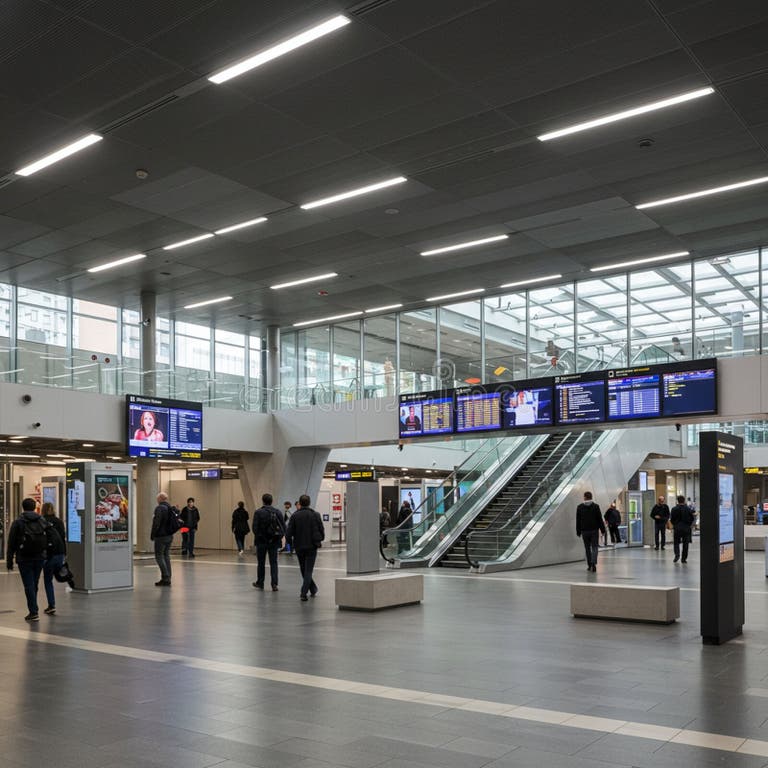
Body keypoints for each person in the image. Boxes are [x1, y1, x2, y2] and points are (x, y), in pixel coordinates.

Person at [6, 498, 50, 621]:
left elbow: (11, 542)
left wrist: (9, 560)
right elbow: (49, 536)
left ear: (23, 507)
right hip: (39, 556)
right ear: (34, 507)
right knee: (34, 583)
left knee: (29, 585)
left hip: (24, 557)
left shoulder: (18, 522)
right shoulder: (42, 520)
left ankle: (33, 611)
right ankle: (33, 608)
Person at [286, 494, 324, 601]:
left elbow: (288, 533)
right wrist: (320, 539)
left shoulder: (294, 516)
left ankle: (311, 589)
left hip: (299, 546)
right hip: (312, 546)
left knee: (303, 569)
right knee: (308, 570)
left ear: (300, 503)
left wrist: (290, 545)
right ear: (309, 503)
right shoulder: (315, 515)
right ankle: (305, 592)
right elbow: (321, 529)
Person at [252, 493, 285, 591]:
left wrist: (260, 536)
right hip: (274, 542)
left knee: (261, 562)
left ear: (263, 501)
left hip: (261, 542)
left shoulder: (258, 512)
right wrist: (277, 537)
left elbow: (254, 528)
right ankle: (274, 584)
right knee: (273, 562)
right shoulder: (278, 512)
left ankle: (260, 582)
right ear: (272, 501)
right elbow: (283, 527)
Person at [41, 502, 67, 615]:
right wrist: (64, 553)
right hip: (59, 552)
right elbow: (62, 537)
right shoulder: (59, 521)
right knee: (59, 573)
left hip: (49, 554)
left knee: (48, 580)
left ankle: (51, 605)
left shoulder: (42, 521)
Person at [576, 491, 605, 572]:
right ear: (591, 497)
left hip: (584, 531)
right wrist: (603, 530)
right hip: (594, 530)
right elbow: (599, 519)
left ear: (585, 497)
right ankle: (593, 563)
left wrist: (578, 531)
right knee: (595, 547)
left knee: (587, 548)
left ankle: (589, 565)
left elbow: (578, 520)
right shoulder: (596, 506)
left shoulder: (580, 507)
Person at [150, 492, 174, 586]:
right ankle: (168, 577)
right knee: (166, 555)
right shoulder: (170, 508)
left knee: (159, 556)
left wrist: (153, 535)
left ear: (160, 498)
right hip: (169, 535)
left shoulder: (159, 508)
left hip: (161, 536)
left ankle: (165, 577)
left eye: (157, 498)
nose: (157, 500)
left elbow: (156, 523)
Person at [671, 495, 695, 563]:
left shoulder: (674, 509)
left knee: (676, 543)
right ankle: (684, 559)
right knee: (685, 544)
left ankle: (677, 555)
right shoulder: (688, 509)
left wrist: (675, 524)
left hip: (677, 528)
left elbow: (672, 519)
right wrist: (688, 525)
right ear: (684, 501)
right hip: (686, 528)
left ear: (677, 501)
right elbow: (692, 518)